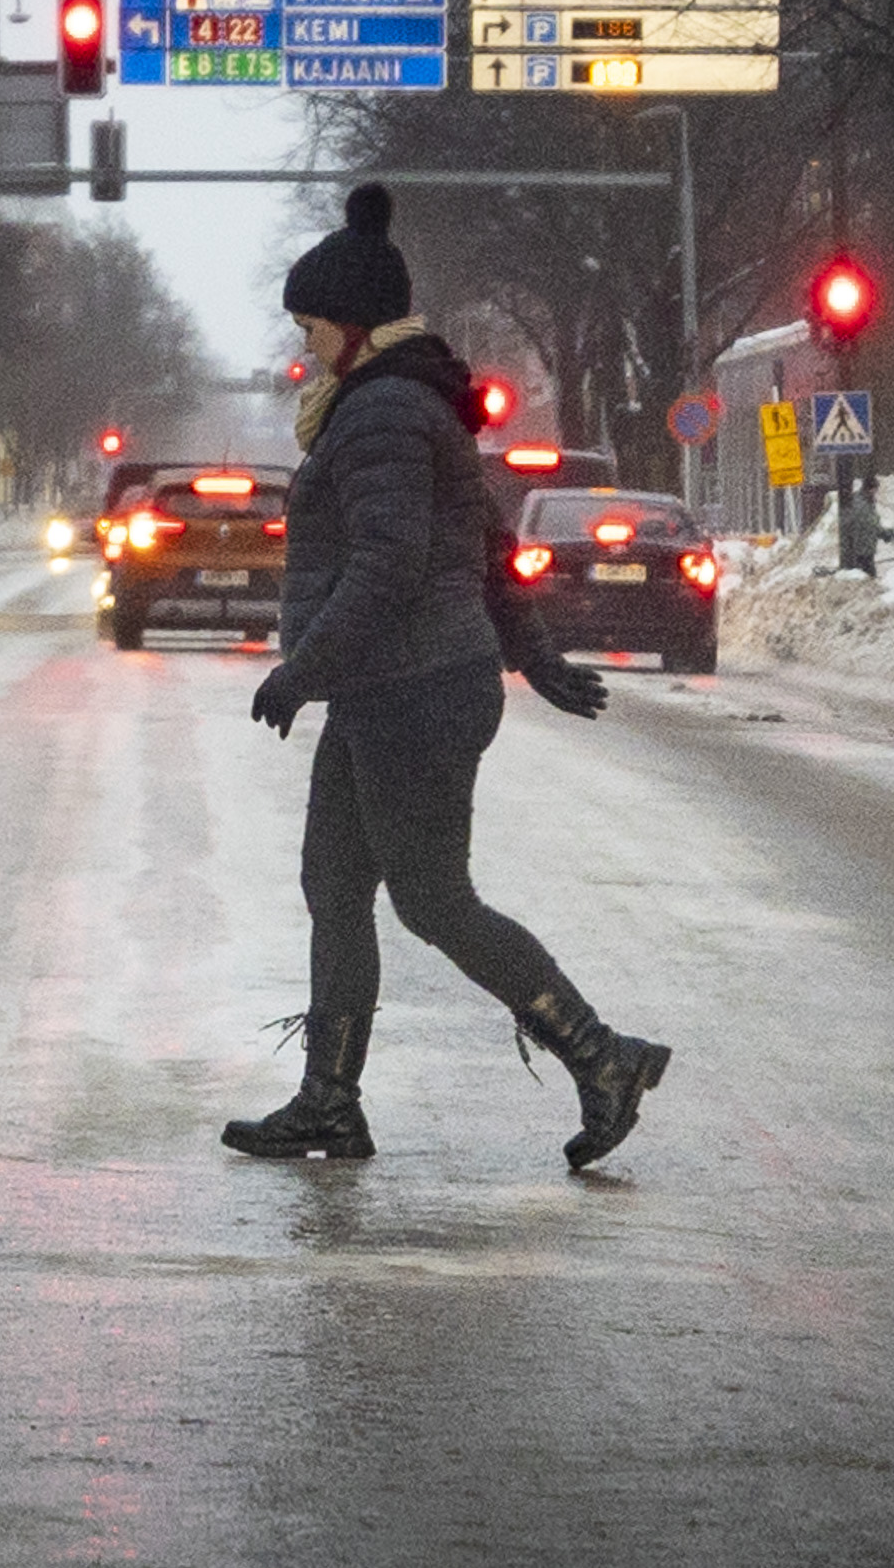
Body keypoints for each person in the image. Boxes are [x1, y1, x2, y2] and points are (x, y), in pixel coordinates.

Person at [223, 183, 672, 1171]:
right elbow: (485, 545)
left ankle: (604, 1058)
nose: (305, 345)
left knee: (431, 898)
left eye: (311, 326)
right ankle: (329, 1101)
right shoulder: (403, 403)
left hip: (413, 688)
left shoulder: (382, 412)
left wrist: (302, 670)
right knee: (335, 883)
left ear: (352, 324)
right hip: (394, 685)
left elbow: (387, 566)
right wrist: (534, 657)